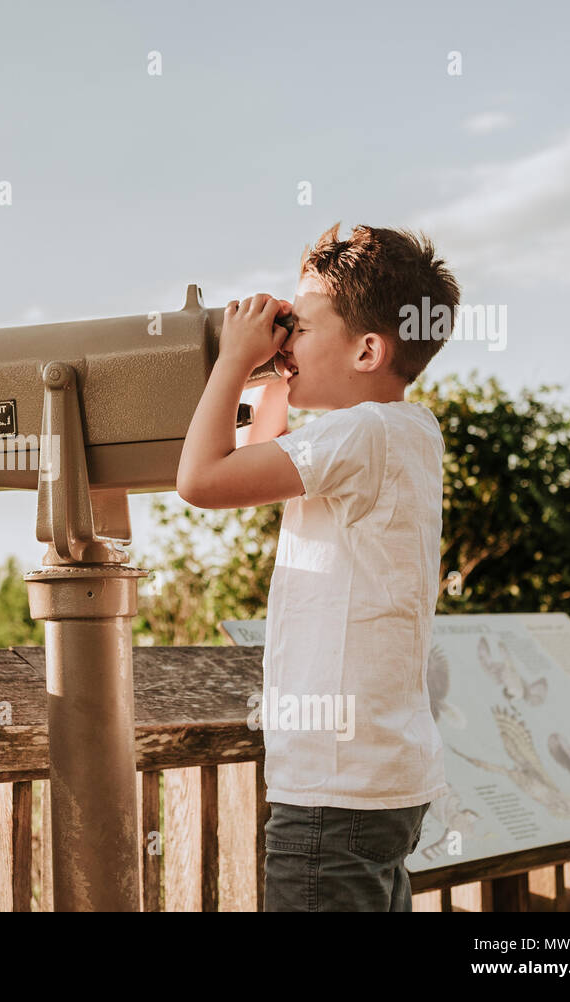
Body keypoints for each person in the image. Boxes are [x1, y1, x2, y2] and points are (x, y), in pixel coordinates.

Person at [176, 222, 461, 911]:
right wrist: (278, 368)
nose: (285, 343)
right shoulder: (404, 430)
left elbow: (202, 480)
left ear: (368, 348)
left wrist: (237, 363)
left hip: (333, 792)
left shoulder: (357, 435)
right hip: (379, 782)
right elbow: (259, 450)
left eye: (298, 328)